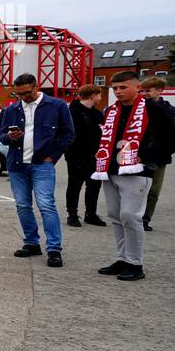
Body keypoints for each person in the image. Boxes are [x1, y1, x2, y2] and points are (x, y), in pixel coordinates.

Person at [94, 71, 175, 280]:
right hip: (110, 169)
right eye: (115, 88)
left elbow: (170, 138)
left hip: (137, 170)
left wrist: (147, 156)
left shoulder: (154, 109)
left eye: (123, 87)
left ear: (137, 87)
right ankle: (123, 259)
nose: (118, 92)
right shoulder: (111, 110)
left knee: (130, 216)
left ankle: (135, 264)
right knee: (115, 216)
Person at [0, 73, 74, 267]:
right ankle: (31, 243)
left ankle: (54, 248)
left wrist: (53, 157)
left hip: (42, 163)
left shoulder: (56, 106)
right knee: (23, 206)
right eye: (19, 94)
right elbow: (0, 136)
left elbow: (68, 134)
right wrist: (10, 137)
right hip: (17, 164)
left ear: (36, 86)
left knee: (46, 204)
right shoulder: (12, 110)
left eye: (26, 92)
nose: (23, 97)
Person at [65, 84, 106, 229]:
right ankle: (72, 215)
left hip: (95, 156)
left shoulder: (97, 113)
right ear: (92, 95)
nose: (100, 98)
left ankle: (91, 214)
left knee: (94, 185)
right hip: (76, 155)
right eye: (99, 95)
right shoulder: (73, 112)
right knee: (75, 186)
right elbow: (69, 135)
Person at [139, 77, 175, 232]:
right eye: (143, 90)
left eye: (148, 90)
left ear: (160, 90)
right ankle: (134, 216)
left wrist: (164, 151)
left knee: (154, 190)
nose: (145, 93)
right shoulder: (139, 108)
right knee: (137, 188)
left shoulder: (170, 110)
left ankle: (145, 218)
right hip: (139, 155)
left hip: (159, 156)